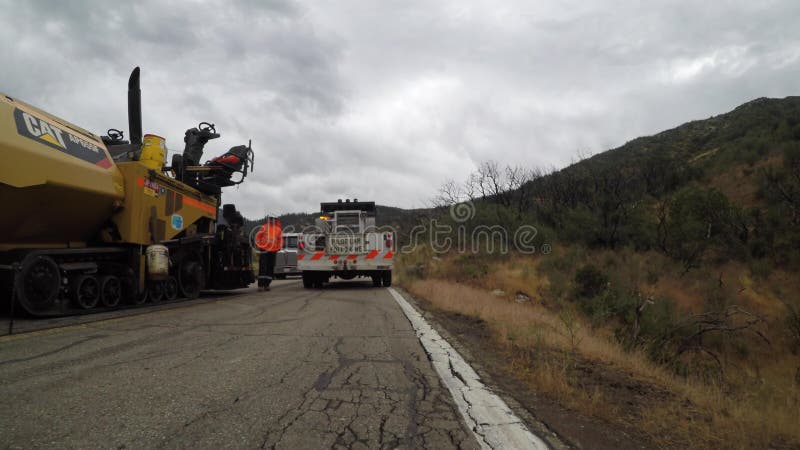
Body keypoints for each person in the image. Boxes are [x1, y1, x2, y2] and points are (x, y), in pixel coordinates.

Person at [255, 217, 282, 291]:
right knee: (263, 267)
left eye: (273, 219)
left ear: (275, 220)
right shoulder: (264, 227)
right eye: (270, 219)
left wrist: (279, 247)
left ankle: (267, 285)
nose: (271, 220)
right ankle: (260, 285)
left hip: (273, 251)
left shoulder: (278, 229)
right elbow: (258, 236)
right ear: (268, 220)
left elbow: (280, 240)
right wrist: (259, 245)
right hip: (264, 249)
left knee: (270, 267)